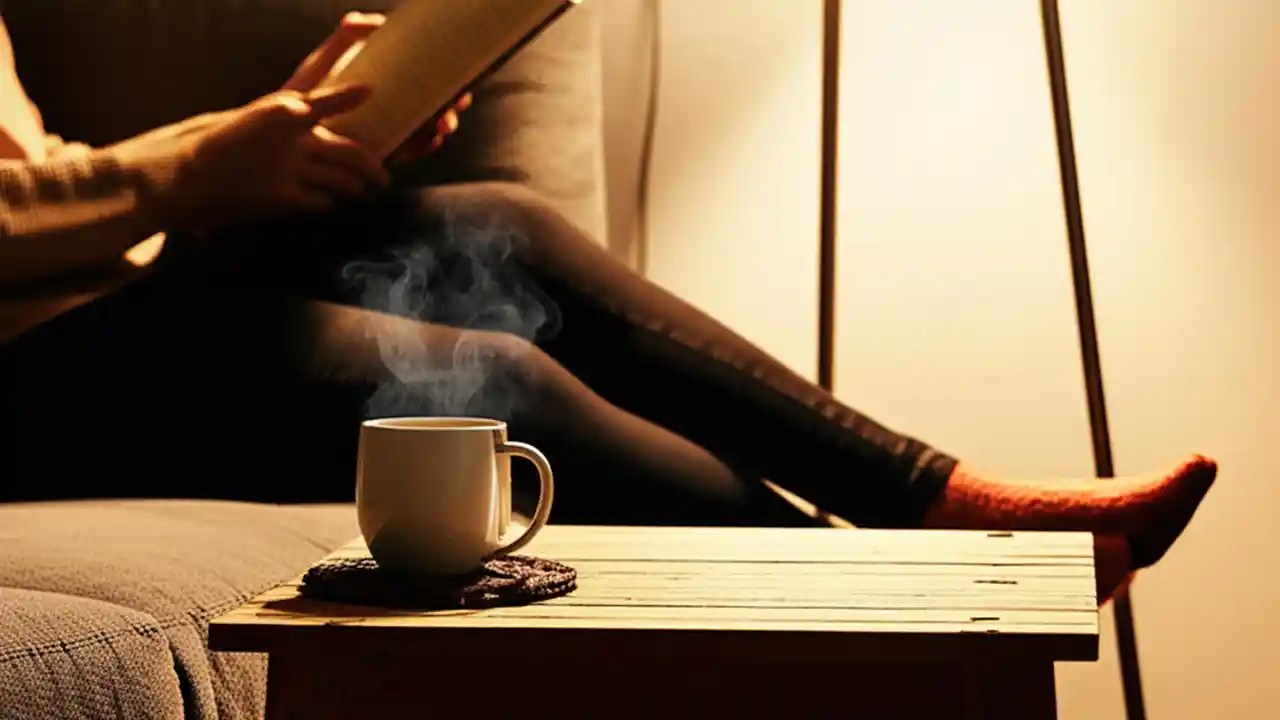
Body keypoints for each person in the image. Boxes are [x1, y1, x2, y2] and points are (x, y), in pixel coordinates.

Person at [0, 13, 1214, 602]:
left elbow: (36, 169)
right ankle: (906, 596)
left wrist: (278, 149)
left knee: (499, 231)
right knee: (494, 387)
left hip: (106, 292)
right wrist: (186, 169)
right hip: (28, 371)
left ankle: (938, 499)